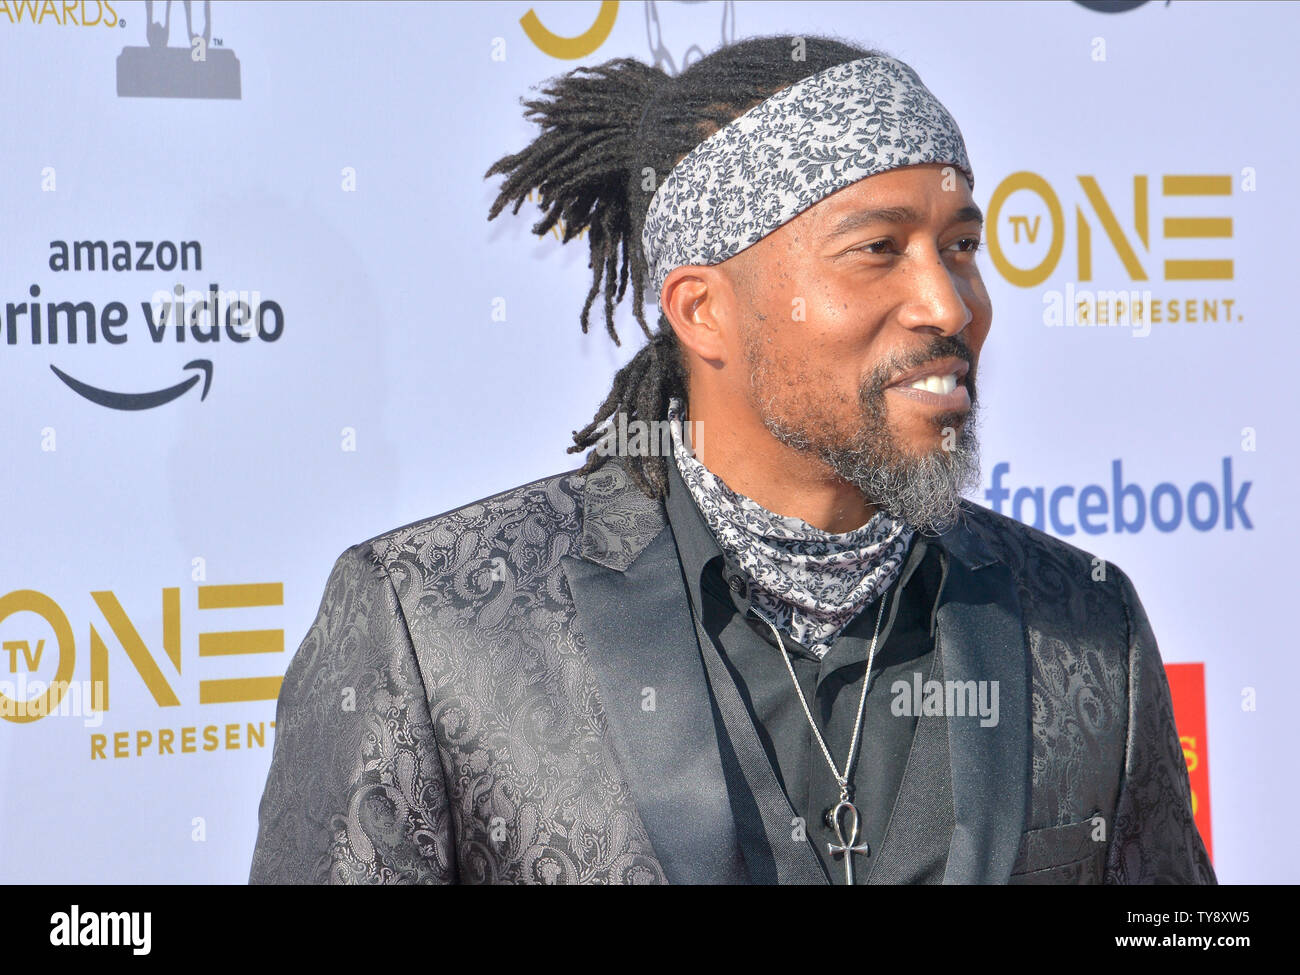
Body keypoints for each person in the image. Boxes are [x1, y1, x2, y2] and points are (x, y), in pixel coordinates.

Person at [249, 34, 1215, 884]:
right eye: (880, 248)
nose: (952, 305)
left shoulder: (1084, 620)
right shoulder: (434, 619)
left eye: (959, 246)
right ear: (704, 310)